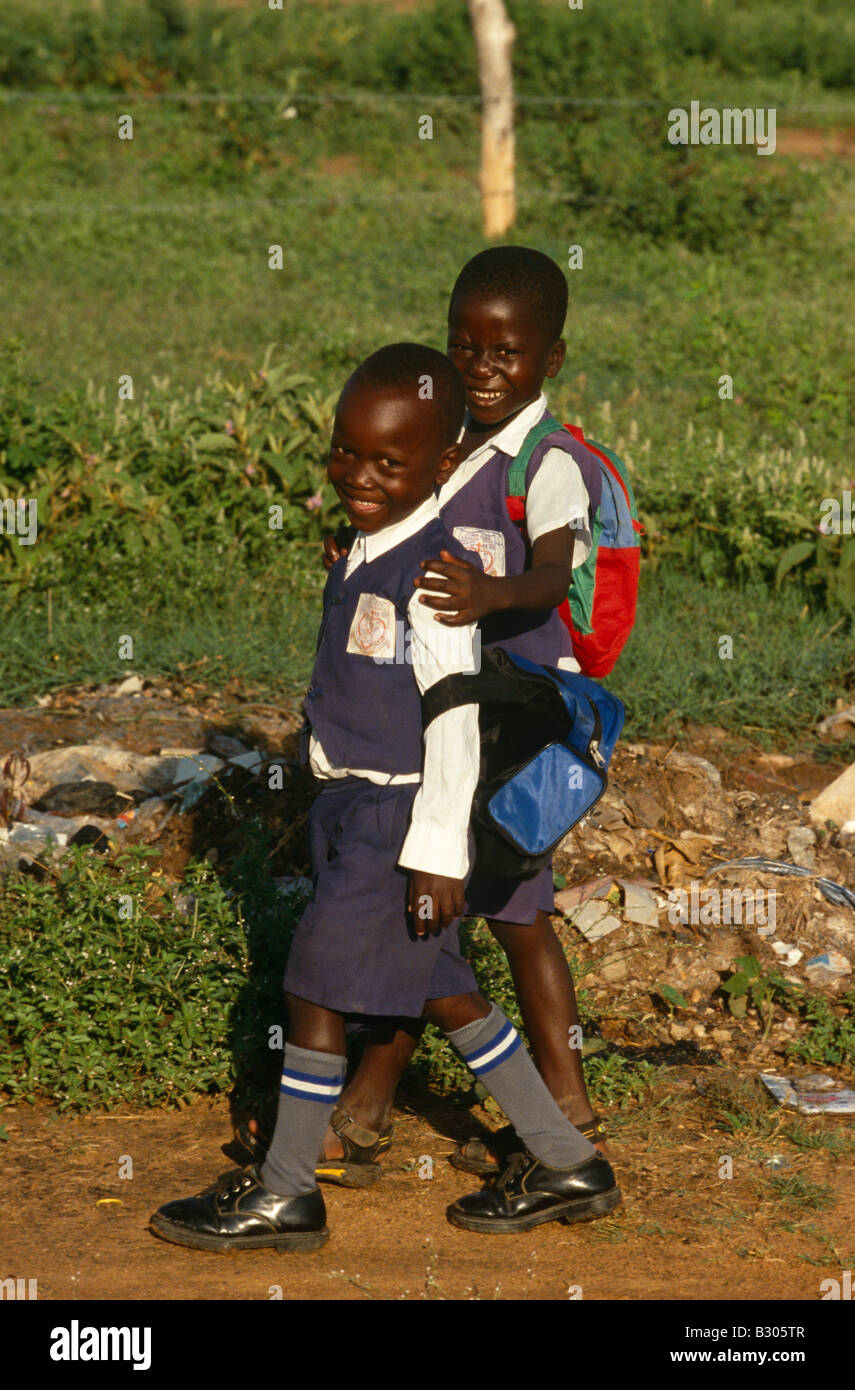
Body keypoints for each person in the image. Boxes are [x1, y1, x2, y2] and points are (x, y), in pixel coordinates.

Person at [149, 343, 619, 1251]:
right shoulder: (370, 543)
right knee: (446, 994)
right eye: (345, 453)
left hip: (395, 819)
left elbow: (450, 724)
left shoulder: (437, 579)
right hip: (355, 809)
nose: (359, 476)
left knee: (317, 989)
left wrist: (437, 854)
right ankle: (566, 1160)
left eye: (388, 463)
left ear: (442, 465)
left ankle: (285, 1191)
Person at [288, 247, 607, 1185]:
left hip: (504, 726)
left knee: (514, 912)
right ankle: (371, 1105)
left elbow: (556, 573)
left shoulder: (549, 462)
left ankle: (567, 1101)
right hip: (426, 714)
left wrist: (487, 593)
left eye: (504, 352)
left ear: (549, 359)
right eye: (465, 345)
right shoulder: (451, 437)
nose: (480, 366)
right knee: (425, 918)